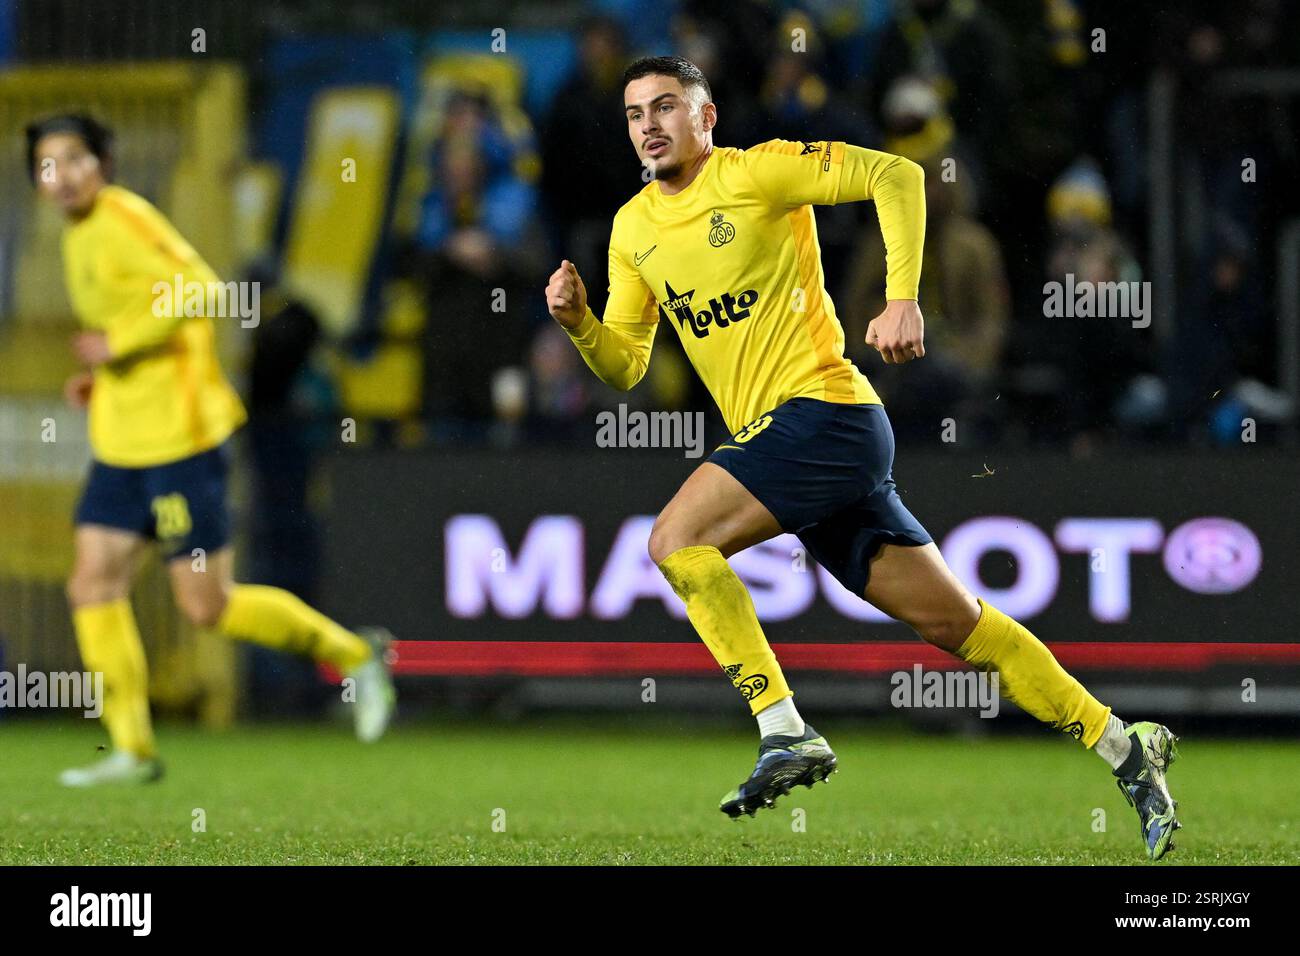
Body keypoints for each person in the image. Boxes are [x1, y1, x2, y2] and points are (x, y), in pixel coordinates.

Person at [544, 57, 1181, 859]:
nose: (649, 124)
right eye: (636, 112)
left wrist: (903, 295)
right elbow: (627, 365)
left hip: (825, 413)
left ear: (705, 120)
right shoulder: (632, 229)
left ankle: (783, 727)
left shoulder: (760, 171)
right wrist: (578, 325)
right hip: (801, 450)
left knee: (674, 540)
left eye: (667, 106)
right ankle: (1125, 746)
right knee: (960, 626)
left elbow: (897, 176)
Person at [28, 114, 396, 787]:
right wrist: (103, 372)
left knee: (207, 607)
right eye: (48, 165)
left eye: (75, 159)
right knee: (91, 582)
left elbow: (200, 287)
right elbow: (131, 326)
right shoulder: (75, 237)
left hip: (181, 440)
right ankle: (133, 748)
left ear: (104, 163)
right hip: (121, 442)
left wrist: (122, 345)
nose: (64, 175)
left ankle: (356, 655)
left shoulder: (122, 217)